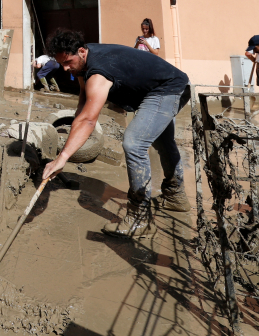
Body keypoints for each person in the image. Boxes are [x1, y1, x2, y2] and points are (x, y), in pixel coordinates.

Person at [42, 30, 191, 240]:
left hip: (168, 88)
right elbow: (84, 105)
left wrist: (62, 158)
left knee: (134, 142)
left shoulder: (99, 70)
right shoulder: (85, 61)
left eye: (68, 62)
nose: (66, 69)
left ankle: (140, 218)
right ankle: (176, 197)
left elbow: (89, 120)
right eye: (62, 64)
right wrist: (74, 132)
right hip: (157, 87)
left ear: (82, 51)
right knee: (163, 141)